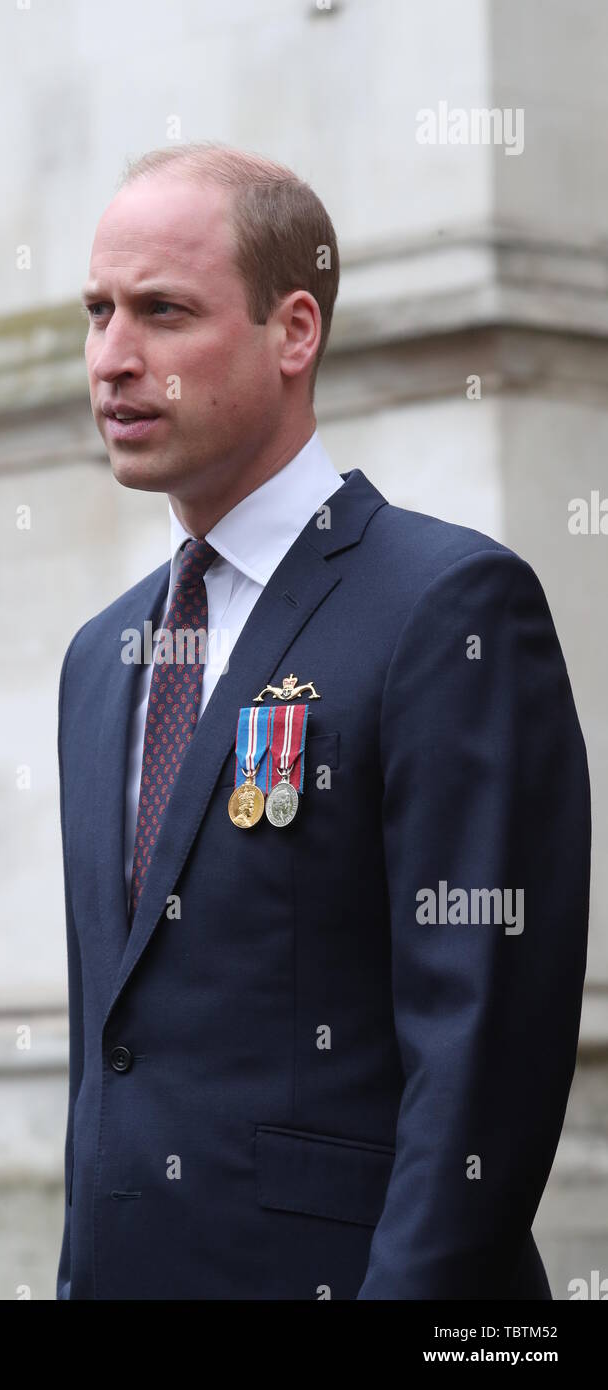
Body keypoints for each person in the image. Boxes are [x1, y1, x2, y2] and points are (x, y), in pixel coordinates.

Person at [55, 142, 590, 1299]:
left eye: (160, 311)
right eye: (96, 311)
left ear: (293, 331)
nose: (110, 358)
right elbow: (111, 1062)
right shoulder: (99, 660)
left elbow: (482, 1056)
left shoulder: (447, 608)